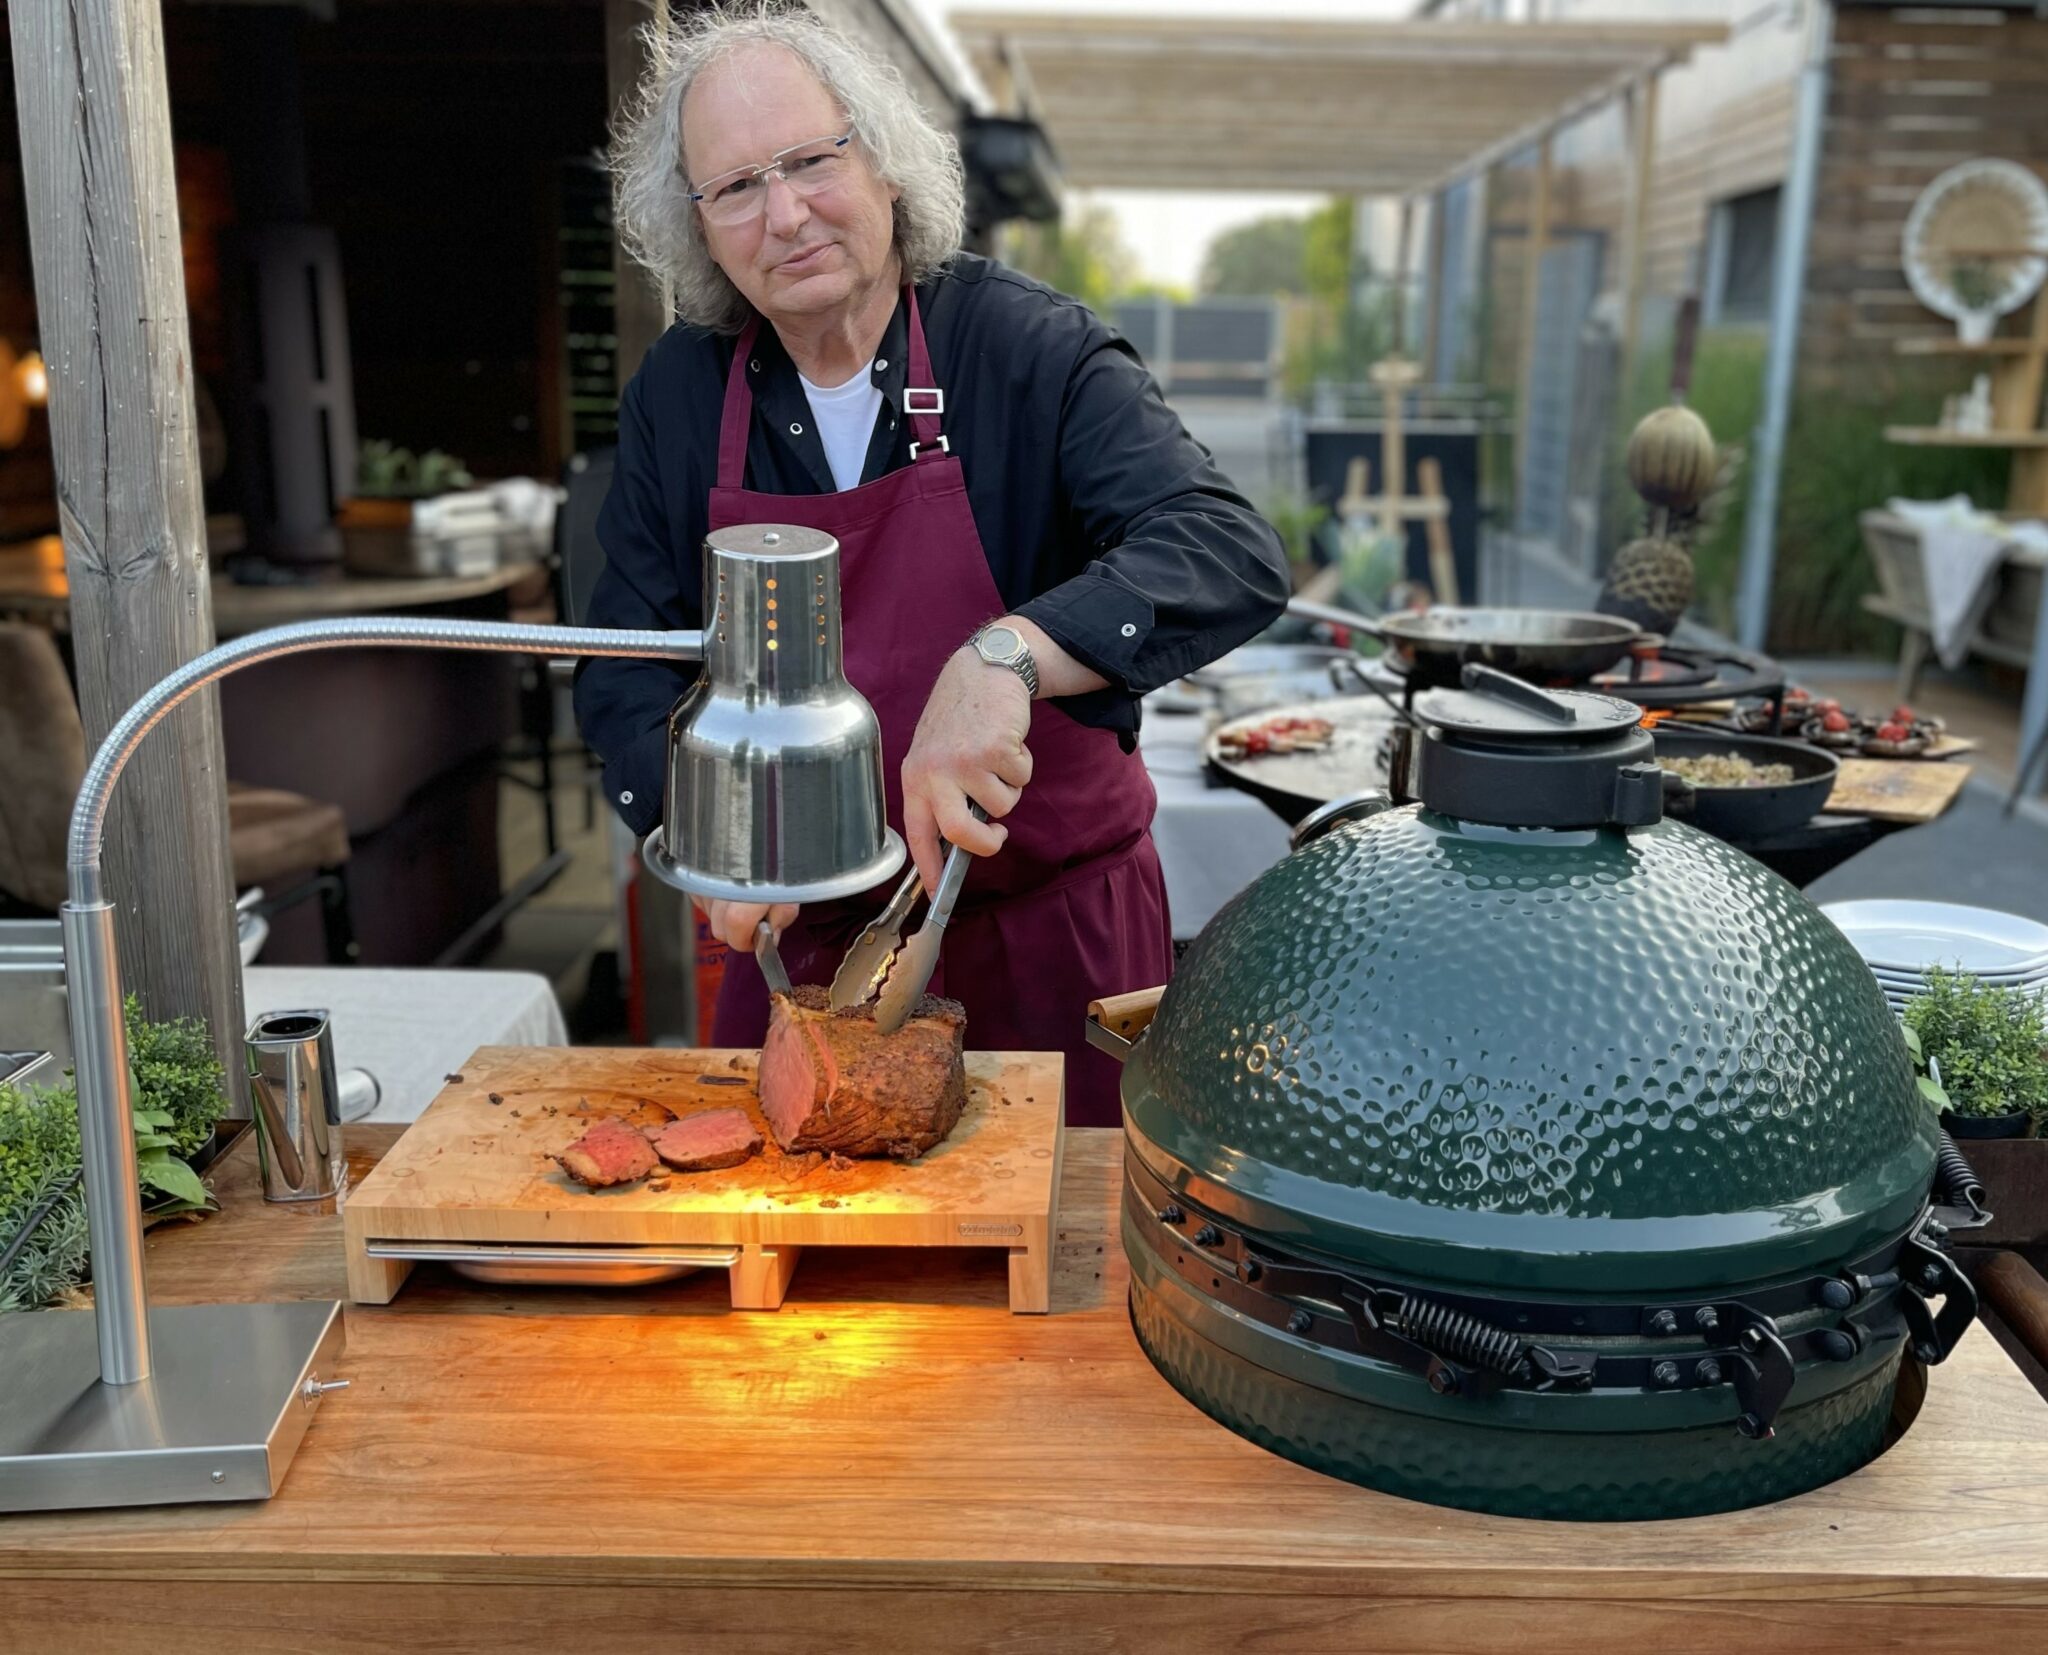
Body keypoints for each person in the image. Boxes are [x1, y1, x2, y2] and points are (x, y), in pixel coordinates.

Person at [576, 6, 1289, 1124]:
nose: (786, 213)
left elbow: (1221, 544)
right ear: (698, 229)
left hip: (1056, 943)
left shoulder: (1027, 349)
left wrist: (1005, 658)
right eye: (736, 189)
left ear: (887, 164)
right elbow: (620, 666)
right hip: (803, 959)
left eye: (812, 160)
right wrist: (697, 835)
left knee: (1075, 1273)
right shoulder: (678, 394)